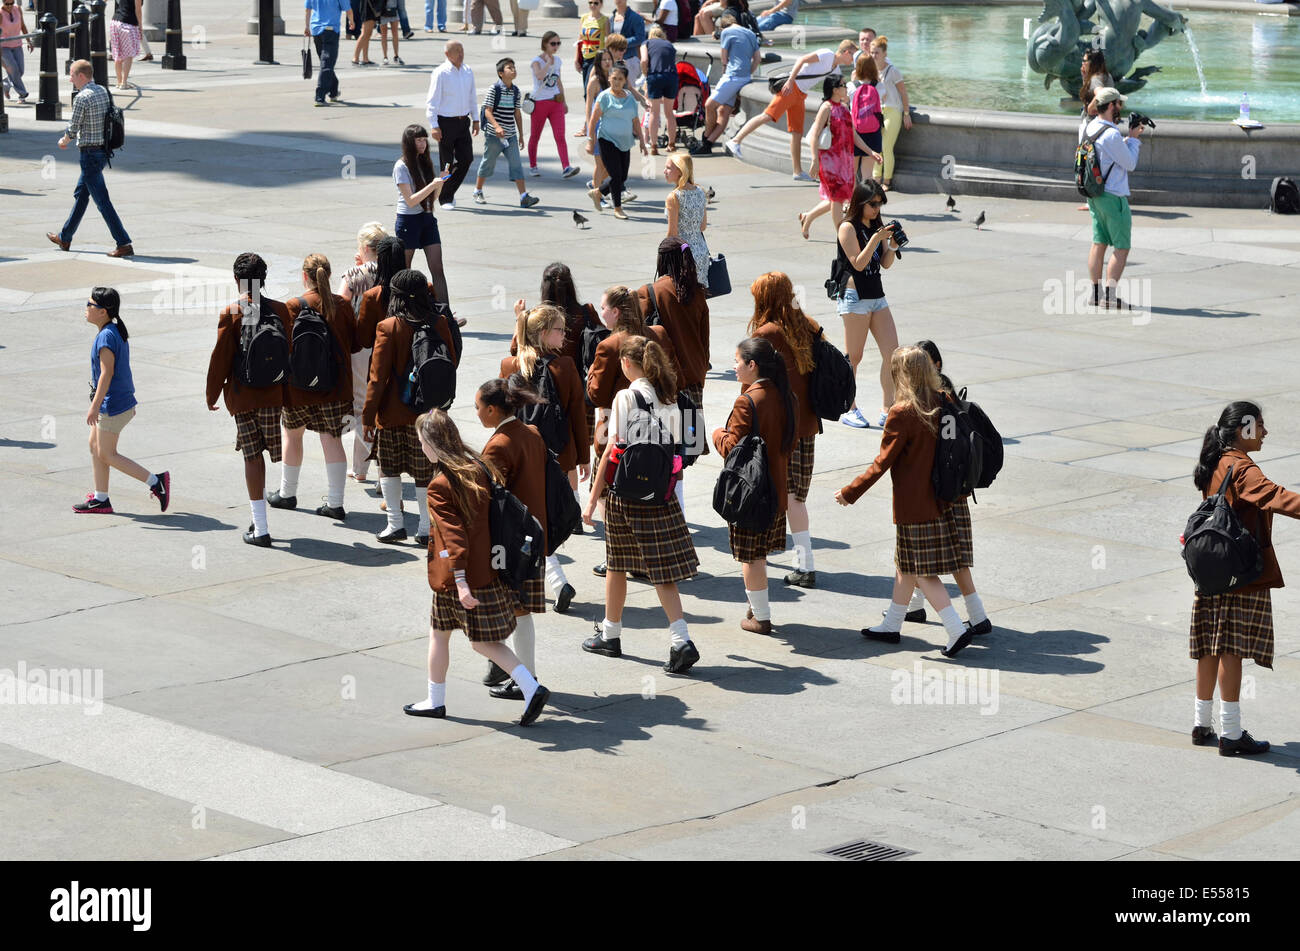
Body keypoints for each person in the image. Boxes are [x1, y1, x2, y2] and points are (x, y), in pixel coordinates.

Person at [404, 409, 551, 726]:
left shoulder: (440, 485)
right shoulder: (478, 469)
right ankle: (528, 686)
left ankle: (438, 700)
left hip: (457, 578)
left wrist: (459, 580)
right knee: (473, 639)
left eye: (422, 442)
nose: (421, 448)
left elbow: (454, 536)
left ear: (432, 443)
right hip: (485, 570)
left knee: (455, 638)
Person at [836, 347, 977, 658]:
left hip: (914, 505)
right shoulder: (943, 400)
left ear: (900, 374)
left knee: (922, 571)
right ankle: (892, 624)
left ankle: (955, 628)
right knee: (905, 566)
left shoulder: (903, 412)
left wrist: (850, 492)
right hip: (941, 498)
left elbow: (882, 462)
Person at [582, 335, 700, 672]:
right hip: (662, 493)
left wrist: (592, 500)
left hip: (627, 495)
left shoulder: (625, 396)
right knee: (662, 572)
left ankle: (612, 636)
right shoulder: (671, 397)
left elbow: (613, 450)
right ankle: (679, 640)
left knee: (617, 563)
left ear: (629, 364)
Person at [1189, 401, 1296, 757]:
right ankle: (1231, 734)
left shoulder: (1216, 461)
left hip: (1212, 569)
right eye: (1260, 426)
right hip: (1239, 573)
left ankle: (1201, 723)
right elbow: (1275, 496)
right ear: (1244, 429)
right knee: (1230, 649)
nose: (1265, 432)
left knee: (1210, 647)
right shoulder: (1242, 468)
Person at [888, 339, 991, 633]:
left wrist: (851, 491)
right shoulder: (946, 395)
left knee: (919, 559)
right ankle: (911, 613)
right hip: (954, 488)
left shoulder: (920, 402)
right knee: (935, 558)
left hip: (933, 493)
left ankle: (947, 622)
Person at [501, 303, 589, 611]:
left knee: (524, 521)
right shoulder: (564, 366)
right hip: (554, 456)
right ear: (543, 333)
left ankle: (549, 581)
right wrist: (583, 457)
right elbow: (578, 414)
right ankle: (555, 581)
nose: (565, 335)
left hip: (518, 454)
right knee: (540, 521)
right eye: (560, 330)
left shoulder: (511, 365)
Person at [586, 285, 678, 574]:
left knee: (608, 492)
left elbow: (596, 396)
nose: (600, 312)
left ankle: (615, 554)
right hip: (657, 426)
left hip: (616, 424)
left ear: (615, 312)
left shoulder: (610, 345)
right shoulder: (656, 334)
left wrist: (589, 374)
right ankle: (641, 557)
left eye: (603, 307)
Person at [363, 269, 460, 544]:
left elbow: (377, 378)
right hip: (428, 414)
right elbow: (450, 362)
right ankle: (425, 528)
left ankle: (395, 524)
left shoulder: (388, 327)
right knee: (424, 472)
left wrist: (368, 416)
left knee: (390, 468)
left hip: (393, 414)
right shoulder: (439, 322)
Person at [204, 253, 291, 547]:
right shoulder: (281, 309)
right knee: (263, 456)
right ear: (263, 279)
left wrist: (212, 394)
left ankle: (261, 526)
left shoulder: (233, 312)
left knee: (252, 457)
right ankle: (260, 521)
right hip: (273, 395)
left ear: (237, 279)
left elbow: (221, 359)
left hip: (243, 396)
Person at [474, 375, 551, 700]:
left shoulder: (498, 444)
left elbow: (490, 499)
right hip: (533, 536)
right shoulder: (531, 433)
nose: (476, 412)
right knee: (519, 609)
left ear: (493, 410)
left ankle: (525, 679)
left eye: (479, 407)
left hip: (509, 543)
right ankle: (509, 667)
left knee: (514, 610)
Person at [268, 254, 360, 521]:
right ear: (328, 276)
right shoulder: (342, 304)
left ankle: (287, 493)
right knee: (332, 439)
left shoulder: (294, 305)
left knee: (292, 436)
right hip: (335, 387)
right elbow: (354, 344)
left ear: (305, 276)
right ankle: (335, 502)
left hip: (298, 388)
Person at [713, 337, 795, 634]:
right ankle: (755, 605)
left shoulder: (747, 401)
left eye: (737, 361)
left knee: (751, 557)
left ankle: (760, 617)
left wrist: (717, 434)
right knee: (758, 554)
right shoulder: (784, 395)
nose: (733, 367)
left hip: (751, 493)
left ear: (752, 365)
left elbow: (731, 449)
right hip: (776, 490)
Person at [748, 271, 820, 587]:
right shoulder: (808, 325)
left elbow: (753, 384)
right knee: (796, 495)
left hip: (781, 428)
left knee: (786, 495)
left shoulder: (767, 334)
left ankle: (804, 564)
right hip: (806, 424)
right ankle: (802, 560)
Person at [75, 287, 170, 515]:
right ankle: (101, 498)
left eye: (91, 305)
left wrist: (94, 406)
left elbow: (107, 374)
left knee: (107, 453)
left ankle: (157, 482)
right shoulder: (112, 329)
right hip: (117, 401)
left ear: (103, 312)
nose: (86, 308)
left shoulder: (107, 336)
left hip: (113, 405)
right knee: (95, 446)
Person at [724, 39, 856, 181]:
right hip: (791, 89)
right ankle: (736, 141)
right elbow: (802, 59)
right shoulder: (827, 54)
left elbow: (836, 90)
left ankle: (797, 172)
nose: (853, 60)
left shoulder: (836, 70)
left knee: (797, 132)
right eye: (853, 56)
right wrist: (790, 80)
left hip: (801, 94)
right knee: (767, 115)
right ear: (846, 52)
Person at [47, 62, 133, 258]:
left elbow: (73, 128)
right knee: (82, 194)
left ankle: (123, 242)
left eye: (72, 75)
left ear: (82, 76)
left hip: (89, 155)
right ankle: (65, 237)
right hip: (102, 152)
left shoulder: (82, 98)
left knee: (102, 201)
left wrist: (63, 141)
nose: (70, 79)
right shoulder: (103, 90)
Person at [835, 180, 899, 430]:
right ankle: (848, 407)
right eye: (873, 204)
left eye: (880, 204)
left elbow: (885, 263)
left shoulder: (877, 225)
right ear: (860, 202)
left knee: (892, 354)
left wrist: (892, 245)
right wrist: (875, 238)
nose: (877, 209)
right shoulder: (847, 228)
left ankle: (887, 408)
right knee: (854, 356)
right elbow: (858, 263)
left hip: (876, 295)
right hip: (854, 296)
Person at [1081, 86, 1144, 309]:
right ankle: (1109, 295)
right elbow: (1130, 164)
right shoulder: (1111, 133)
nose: (1121, 108)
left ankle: (1095, 294)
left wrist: (1125, 141)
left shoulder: (1090, 128)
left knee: (1099, 243)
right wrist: (1134, 139)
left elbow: (1106, 154)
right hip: (1113, 195)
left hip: (1094, 194)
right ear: (1110, 106)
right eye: (1119, 104)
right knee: (1121, 247)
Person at [800, 75, 878, 240]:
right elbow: (814, 135)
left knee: (837, 198)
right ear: (835, 89)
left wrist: (870, 152)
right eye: (843, 85)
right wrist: (815, 160)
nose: (845, 88)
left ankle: (808, 217)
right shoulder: (826, 108)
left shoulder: (843, 107)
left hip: (844, 162)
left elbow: (854, 135)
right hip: (829, 162)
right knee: (837, 199)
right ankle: (843, 238)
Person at [339, 222, 387, 483]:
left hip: (358, 346)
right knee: (380, 403)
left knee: (360, 406)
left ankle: (369, 467)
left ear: (365, 248)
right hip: (387, 343)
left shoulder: (353, 275)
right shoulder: (394, 272)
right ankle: (372, 470)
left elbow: (339, 305)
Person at [393, 124, 452, 304]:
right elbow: (411, 200)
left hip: (427, 218)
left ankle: (445, 313)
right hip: (408, 221)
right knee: (404, 270)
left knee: (437, 268)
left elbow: (431, 198)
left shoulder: (424, 162)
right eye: (418, 140)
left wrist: (441, 181)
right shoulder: (401, 166)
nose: (422, 144)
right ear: (409, 142)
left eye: (424, 140)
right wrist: (433, 185)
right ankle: (403, 310)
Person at [473, 58, 542, 208]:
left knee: (516, 164)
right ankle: (478, 191)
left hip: (510, 135)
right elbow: (487, 111)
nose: (513, 70)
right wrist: (497, 127)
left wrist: (521, 135)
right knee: (488, 163)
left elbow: (517, 113)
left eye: (514, 67)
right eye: (509, 68)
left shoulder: (516, 91)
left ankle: (524, 197)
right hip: (493, 136)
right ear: (500, 73)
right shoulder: (494, 89)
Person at [690, 13, 759, 156]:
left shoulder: (726, 32)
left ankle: (705, 139)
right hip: (744, 76)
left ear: (722, 26)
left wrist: (725, 73)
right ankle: (709, 142)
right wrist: (747, 73)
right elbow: (757, 59)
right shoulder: (750, 33)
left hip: (732, 75)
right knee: (723, 112)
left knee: (709, 105)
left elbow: (724, 58)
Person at [586, 64, 646, 220]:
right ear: (609, 79)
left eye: (620, 79)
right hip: (607, 140)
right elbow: (593, 121)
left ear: (625, 80)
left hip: (625, 142)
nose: (617, 82)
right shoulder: (604, 96)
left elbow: (635, 120)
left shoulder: (630, 98)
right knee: (616, 174)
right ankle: (618, 208)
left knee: (622, 177)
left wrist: (642, 141)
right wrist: (590, 140)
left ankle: (598, 192)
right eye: (614, 79)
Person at [425, 41, 479, 209]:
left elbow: (472, 96)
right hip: (446, 122)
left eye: (462, 50)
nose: (460, 54)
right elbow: (432, 101)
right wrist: (434, 125)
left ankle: (446, 190)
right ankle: (445, 199)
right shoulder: (441, 73)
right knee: (447, 163)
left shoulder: (467, 71)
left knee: (467, 159)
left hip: (463, 122)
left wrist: (476, 119)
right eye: (457, 51)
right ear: (447, 54)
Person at [527, 32, 581, 178]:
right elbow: (539, 76)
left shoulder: (558, 60)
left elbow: (558, 81)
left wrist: (564, 101)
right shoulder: (536, 61)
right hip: (539, 103)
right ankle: (532, 166)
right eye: (553, 43)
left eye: (558, 43)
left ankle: (566, 167)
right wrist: (548, 65)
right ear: (545, 44)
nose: (556, 46)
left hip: (555, 102)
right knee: (535, 136)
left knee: (560, 136)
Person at [869, 37, 910, 191]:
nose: (874, 56)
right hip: (878, 111)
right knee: (875, 146)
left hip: (893, 110)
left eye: (877, 53)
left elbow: (903, 93)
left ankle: (887, 181)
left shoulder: (893, 70)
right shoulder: (871, 70)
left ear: (885, 53)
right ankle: (875, 179)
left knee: (886, 146)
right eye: (872, 52)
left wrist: (906, 114)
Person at [663, 155, 710, 288]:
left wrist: (664, 254)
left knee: (681, 299)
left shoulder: (674, 196)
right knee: (699, 299)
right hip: (701, 252)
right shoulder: (700, 191)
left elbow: (672, 233)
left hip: (683, 254)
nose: (664, 171)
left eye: (668, 168)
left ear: (680, 171)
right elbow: (703, 226)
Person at [305, 0, 353, 106]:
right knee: (327, 63)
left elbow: (308, 9)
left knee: (326, 63)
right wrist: (352, 22)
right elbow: (348, 10)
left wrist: (307, 26)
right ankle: (320, 96)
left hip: (316, 30)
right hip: (331, 30)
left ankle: (333, 92)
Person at [641, 25, 677, 156]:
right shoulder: (669, 44)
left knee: (654, 113)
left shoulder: (646, 43)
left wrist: (645, 73)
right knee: (669, 113)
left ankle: (654, 146)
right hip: (672, 76)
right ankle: (671, 145)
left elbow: (644, 60)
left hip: (655, 75)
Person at [848, 53, 883, 184]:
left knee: (851, 172)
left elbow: (845, 101)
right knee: (867, 175)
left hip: (855, 132)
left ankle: (851, 202)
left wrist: (853, 79)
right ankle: (865, 202)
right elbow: (883, 100)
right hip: (873, 133)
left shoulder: (850, 87)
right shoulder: (880, 87)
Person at [1, 0, 33, 105]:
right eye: (7, 4)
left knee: (20, 71)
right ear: (3, 3)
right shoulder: (0, 14)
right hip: (4, 47)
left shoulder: (17, 9)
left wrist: (29, 41)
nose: (10, 6)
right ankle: (22, 94)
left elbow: (22, 26)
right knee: (13, 69)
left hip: (17, 45)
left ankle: (5, 84)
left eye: (11, 3)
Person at [609, 0, 646, 84]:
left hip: (630, 59)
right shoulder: (612, 18)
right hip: (614, 60)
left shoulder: (635, 17)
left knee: (629, 91)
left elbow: (640, 37)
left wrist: (620, 43)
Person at [109, 0, 142, 90]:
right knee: (129, 55)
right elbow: (138, 10)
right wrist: (140, 28)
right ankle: (124, 82)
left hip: (115, 21)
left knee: (117, 53)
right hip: (127, 23)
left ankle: (119, 82)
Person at [575, 0, 609, 86]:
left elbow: (608, 40)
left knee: (589, 85)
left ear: (601, 4)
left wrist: (606, 59)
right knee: (585, 86)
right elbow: (580, 40)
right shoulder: (584, 18)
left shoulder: (605, 20)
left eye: (596, 3)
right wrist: (577, 59)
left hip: (596, 58)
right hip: (585, 56)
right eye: (590, 3)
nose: (593, 5)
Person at [376, 0, 403, 65]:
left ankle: (396, 56)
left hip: (394, 10)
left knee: (395, 34)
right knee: (384, 35)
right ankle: (385, 57)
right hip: (383, 11)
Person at [351, 0, 379, 64]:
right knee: (365, 33)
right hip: (368, 7)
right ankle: (355, 57)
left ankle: (365, 58)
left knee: (368, 34)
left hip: (370, 7)